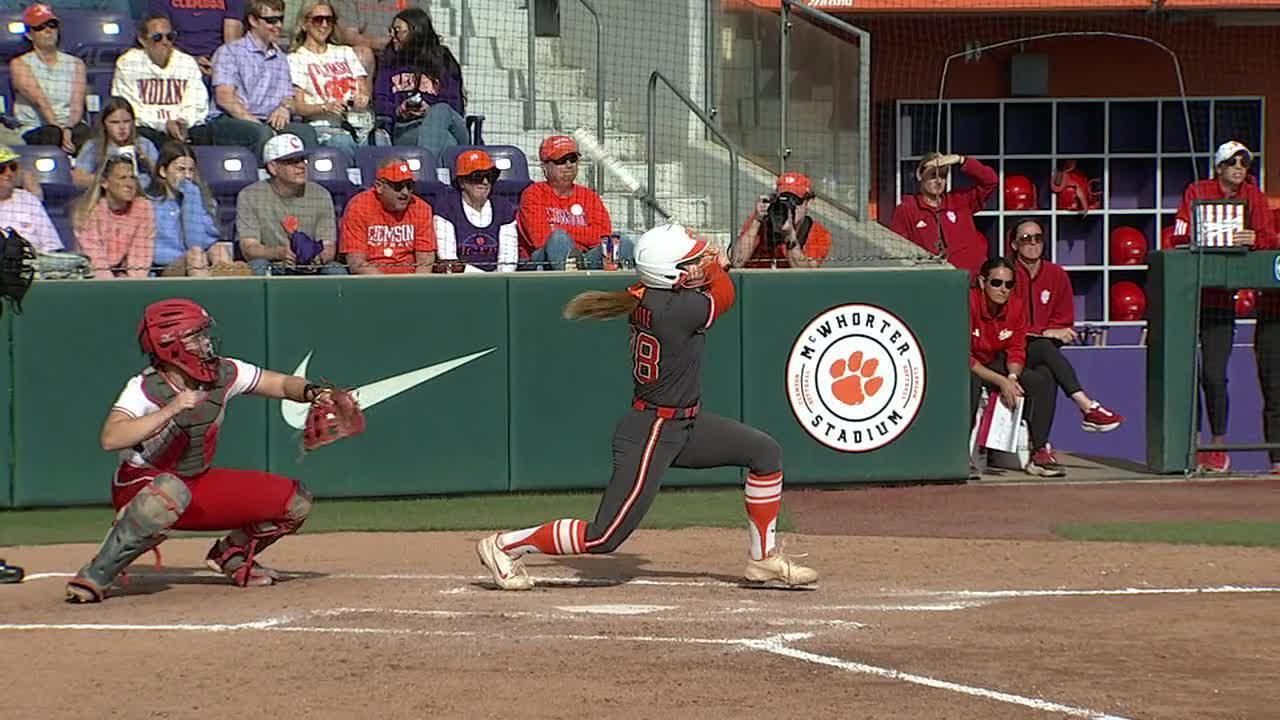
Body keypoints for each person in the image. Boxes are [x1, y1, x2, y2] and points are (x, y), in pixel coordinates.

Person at [476, 223, 819, 591]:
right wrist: (718, 265)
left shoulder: (650, 296)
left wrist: (704, 260)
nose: (697, 266)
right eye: (689, 263)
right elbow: (725, 294)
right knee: (602, 538)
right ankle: (503, 545)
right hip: (652, 432)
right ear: (668, 273)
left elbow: (694, 283)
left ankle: (763, 559)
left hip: (684, 425)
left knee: (764, 452)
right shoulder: (677, 309)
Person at [65, 298, 332, 602]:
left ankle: (231, 555)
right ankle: (98, 573)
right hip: (140, 485)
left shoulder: (224, 372)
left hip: (194, 481)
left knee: (295, 501)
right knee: (169, 492)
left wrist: (314, 392)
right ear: (171, 345)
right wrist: (169, 410)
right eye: (196, 336)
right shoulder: (145, 388)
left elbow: (282, 384)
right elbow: (111, 438)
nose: (205, 342)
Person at [1170, 140, 1279, 473]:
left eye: (1244, 163)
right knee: (1181, 377)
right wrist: (1198, 237)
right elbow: (1178, 233)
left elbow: (1270, 238)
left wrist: (1253, 239)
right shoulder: (1197, 190)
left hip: (1221, 301)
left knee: (1213, 375)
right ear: (1218, 167)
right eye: (1232, 162)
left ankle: (1217, 446)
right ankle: (1186, 445)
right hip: (1186, 298)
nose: (1238, 168)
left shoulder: (1254, 196)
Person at [1007, 219, 1125, 467]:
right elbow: (1006, 324)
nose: (1032, 243)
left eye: (1037, 237)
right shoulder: (1005, 275)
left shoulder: (1056, 275)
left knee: (1046, 374)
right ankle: (1086, 406)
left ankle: (1039, 450)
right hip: (1008, 351)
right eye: (1026, 239)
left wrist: (1046, 333)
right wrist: (1043, 333)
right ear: (1014, 244)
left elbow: (1063, 325)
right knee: (1043, 346)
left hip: (1039, 353)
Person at [969, 257, 1061, 478]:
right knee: (969, 382)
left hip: (996, 364)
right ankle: (962, 455)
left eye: (1009, 284)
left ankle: (1038, 453)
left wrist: (1011, 377)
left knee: (1042, 378)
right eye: (997, 283)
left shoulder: (1016, 306)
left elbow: (1017, 348)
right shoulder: (968, 302)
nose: (1003, 289)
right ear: (983, 282)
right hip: (969, 367)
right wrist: (1002, 381)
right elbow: (963, 357)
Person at [209, 0, 319, 159]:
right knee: (262, 133)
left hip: (267, 120)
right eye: (271, 20)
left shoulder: (280, 57)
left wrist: (284, 108)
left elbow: (288, 97)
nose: (278, 25)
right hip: (230, 119)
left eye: (281, 19)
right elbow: (225, 99)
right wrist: (255, 122)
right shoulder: (230, 52)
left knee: (306, 132)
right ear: (253, 21)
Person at [518, 134, 633, 270]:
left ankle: (614, 286)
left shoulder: (588, 196)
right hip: (543, 263)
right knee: (558, 240)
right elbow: (540, 239)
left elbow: (603, 235)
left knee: (619, 242)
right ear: (545, 166)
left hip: (585, 259)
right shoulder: (533, 193)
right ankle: (566, 285)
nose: (569, 165)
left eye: (572, 159)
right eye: (561, 160)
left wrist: (556, 227)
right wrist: (579, 234)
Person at [236, 133, 343, 275]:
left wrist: (317, 258)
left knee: (335, 270)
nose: (301, 166)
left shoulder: (321, 194)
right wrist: (279, 253)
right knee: (258, 265)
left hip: (310, 264)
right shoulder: (250, 195)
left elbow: (328, 246)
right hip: (274, 264)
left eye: (302, 160)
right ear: (273, 167)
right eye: (292, 161)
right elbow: (249, 247)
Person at [889, 152, 997, 282]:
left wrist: (961, 160)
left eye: (943, 176)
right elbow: (897, 249)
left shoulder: (960, 201)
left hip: (971, 281)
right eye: (933, 176)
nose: (939, 181)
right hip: (933, 281)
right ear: (920, 175)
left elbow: (990, 181)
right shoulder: (907, 209)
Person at [374, 7, 468, 154]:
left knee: (441, 110)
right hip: (408, 129)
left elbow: (456, 105)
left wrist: (429, 111)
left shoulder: (442, 59)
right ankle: (434, 168)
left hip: (449, 127)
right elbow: (380, 101)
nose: (392, 36)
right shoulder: (389, 61)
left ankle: (427, 170)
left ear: (415, 31)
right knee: (445, 143)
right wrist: (399, 109)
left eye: (398, 30)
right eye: (391, 30)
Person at [111, 13, 212, 149]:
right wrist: (163, 125)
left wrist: (182, 122)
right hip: (148, 130)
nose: (165, 42)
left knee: (208, 132)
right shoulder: (128, 63)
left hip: (184, 128)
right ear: (143, 40)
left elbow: (197, 103)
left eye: (170, 37)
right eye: (157, 37)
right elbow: (129, 108)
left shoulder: (186, 62)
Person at [288, 0, 374, 158]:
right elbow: (298, 106)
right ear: (305, 24)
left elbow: (364, 90)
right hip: (323, 127)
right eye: (318, 19)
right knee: (342, 142)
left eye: (329, 19)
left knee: (380, 140)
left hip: (357, 121)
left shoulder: (345, 52)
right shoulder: (297, 58)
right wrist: (325, 107)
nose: (324, 25)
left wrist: (363, 98)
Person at [9, 3, 90, 153]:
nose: (48, 30)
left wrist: (68, 128)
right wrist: (59, 129)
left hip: (70, 125)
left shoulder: (76, 64)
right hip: (36, 127)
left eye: (52, 25)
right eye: (39, 27)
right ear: (29, 34)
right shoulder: (19, 64)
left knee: (85, 135)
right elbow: (41, 102)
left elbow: (77, 105)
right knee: (51, 134)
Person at [146, 142, 235, 276]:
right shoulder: (150, 205)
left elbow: (198, 241)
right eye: (181, 169)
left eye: (191, 170)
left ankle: (232, 293)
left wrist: (191, 198)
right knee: (195, 255)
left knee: (219, 249)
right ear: (163, 171)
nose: (187, 176)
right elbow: (154, 252)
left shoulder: (200, 200)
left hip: (197, 260)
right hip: (163, 267)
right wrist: (187, 255)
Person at [338, 159, 436, 274]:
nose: (405, 193)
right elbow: (356, 262)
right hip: (371, 282)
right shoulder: (358, 206)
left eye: (409, 186)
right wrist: (387, 286)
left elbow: (425, 260)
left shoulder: (421, 208)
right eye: (398, 186)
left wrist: (414, 287)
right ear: (379, 187)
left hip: (410, 280)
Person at [433, 149, 518, 272]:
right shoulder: (447, 207)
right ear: (462, 182)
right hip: (459, 281)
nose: (485, 182)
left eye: (490, 177)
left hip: (497, 281)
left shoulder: (503, 207)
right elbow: (449, 261)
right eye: (477, 176)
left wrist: (498, 281)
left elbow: (508, 260)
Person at [73, 155, 156, 279]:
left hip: (125, 277)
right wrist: (112, 285)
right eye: (122, 178)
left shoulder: (143, 208)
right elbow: (95, 258)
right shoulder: (89, 211)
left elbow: (140, 255)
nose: (129, 184)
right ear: (104, 182)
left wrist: (132, 281)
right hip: (91, 276)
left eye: (132, 178)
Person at [732, 172, 831, 269]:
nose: (789, 207)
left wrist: (790, 235)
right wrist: (757, 221)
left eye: (795, 201)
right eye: (783, 200)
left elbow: (807, 276)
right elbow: (737, 261)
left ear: (809, 203)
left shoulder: (818, 232)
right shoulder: (760, 222)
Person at [72, 97, 159, 190]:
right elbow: (78, 178)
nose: (122, 127)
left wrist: (147, 161)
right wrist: (109, 182)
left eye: (126, 121)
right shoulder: (93, 146)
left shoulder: (144, 144)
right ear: (104, 124)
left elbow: (162, 177)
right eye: (115, 122)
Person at [147, 0, 244, 77]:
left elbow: (232, 43)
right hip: (178, 61)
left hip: (218, 62)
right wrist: (189, 61)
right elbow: (161, 40)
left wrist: (220, 65)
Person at [0, 145, 63, 253]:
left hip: (32, 264)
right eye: (1, 169)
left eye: (13, 167)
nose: (9, 173)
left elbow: (51, 244)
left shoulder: (29, 200)